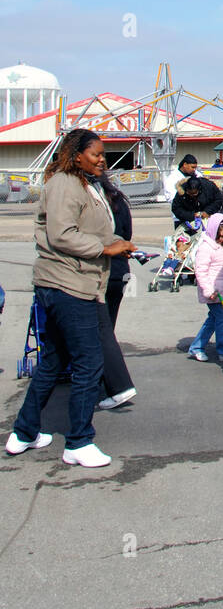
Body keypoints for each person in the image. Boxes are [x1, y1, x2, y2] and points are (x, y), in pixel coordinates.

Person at [5, 129, 135, 469]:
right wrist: (106, 248)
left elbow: (92, 228)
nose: (102, 159)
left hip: (77, 283)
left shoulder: (82, 183)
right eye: (95, 154)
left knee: (52, 361)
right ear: (75, 155)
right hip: (68, 286)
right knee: (89, 362)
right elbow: (62, 234)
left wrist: (120, 243)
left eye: (103, 154)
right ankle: (78, 441)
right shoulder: (64, 184)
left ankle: (24, 431)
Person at [95, 169, 137, 410]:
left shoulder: (93, 200)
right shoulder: (118, 199)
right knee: (106, 326)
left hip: (102, 268)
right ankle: (110, 383)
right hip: (120, 268)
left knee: (100, 332)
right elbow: (127, 233)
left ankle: (114, 384)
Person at [188, 213, 223, 364]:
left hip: (218, 292)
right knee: (222, 320)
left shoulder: (219, 246)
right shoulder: (206, 247)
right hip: (213, 293)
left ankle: (196, 347)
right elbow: (201, 271)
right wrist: (209, 290)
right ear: (213, 230)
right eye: (221, 236)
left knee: (213, 320)